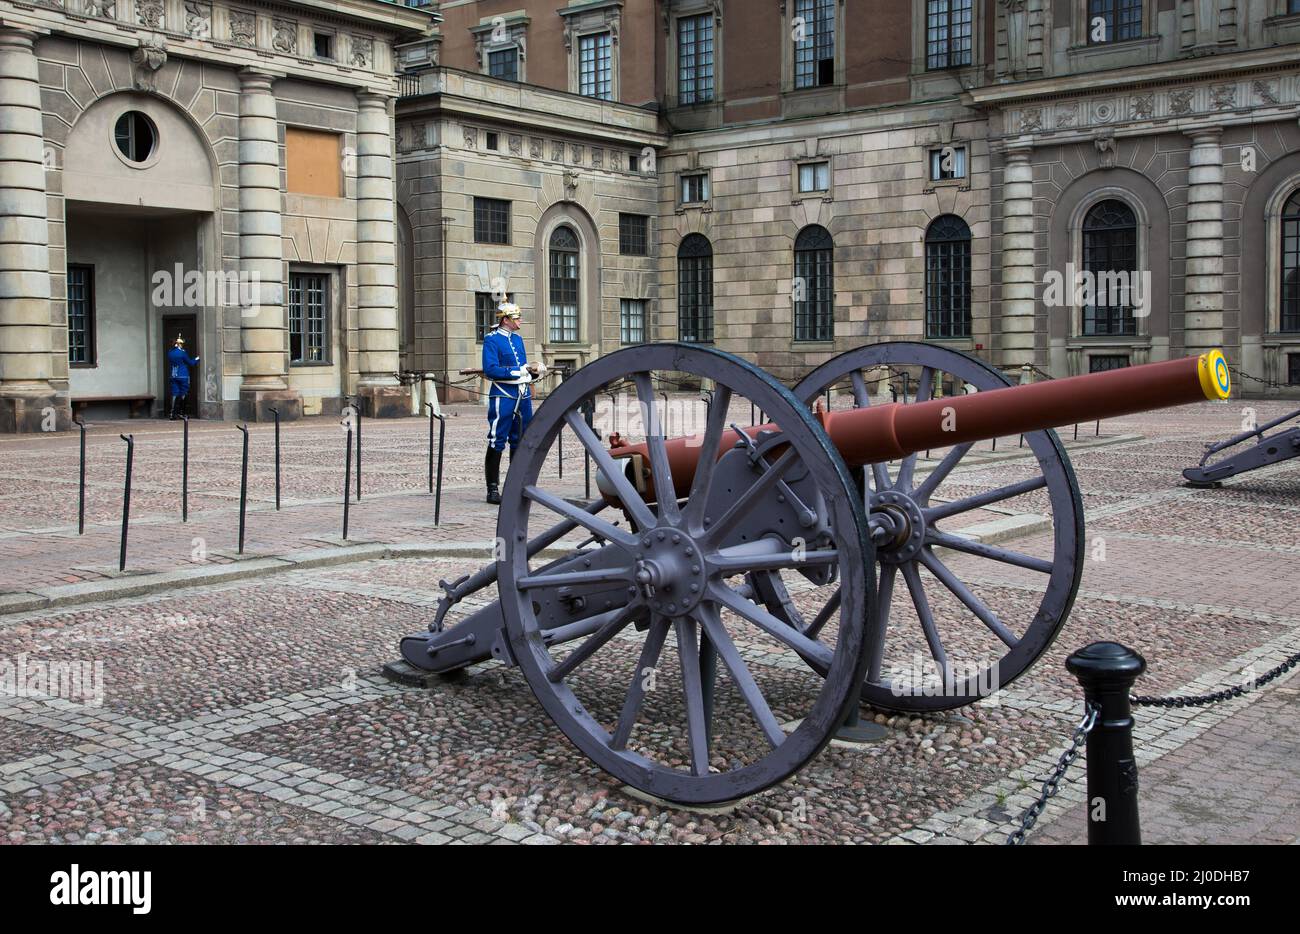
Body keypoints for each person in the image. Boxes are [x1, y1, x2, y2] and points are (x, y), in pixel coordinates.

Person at [481, 302, 542, 504]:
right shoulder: (492, 340)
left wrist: (531, 372)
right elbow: (491, 369)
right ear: (505, 320)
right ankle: (492, 488)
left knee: (521, 440)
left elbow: (522, 364)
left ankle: (515, 485)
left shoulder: (517, 339)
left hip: (522, 395)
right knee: (497, 439)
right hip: (503, 394)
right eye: (516, 318)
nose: (520, 321)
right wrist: (519, 372)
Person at [166, 335, 200, 420]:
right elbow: (190, 363)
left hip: (173, 375)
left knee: (174, 393)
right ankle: (182, 413)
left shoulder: (170, 352)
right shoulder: (182, 352)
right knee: (183, 393)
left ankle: (172, 413)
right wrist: (197, 359)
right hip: (183, 375)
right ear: (179, 344)